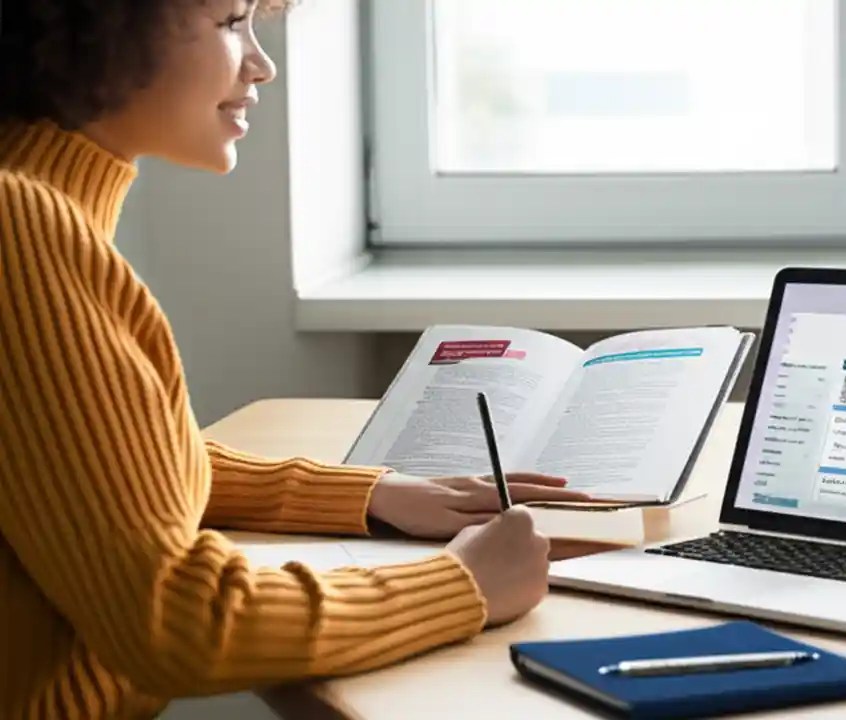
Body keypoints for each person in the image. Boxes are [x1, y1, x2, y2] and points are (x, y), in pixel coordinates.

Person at [0, 1, 591, 717]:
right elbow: (180, 623)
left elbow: (86, 472)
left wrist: (365, 497)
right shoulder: (19, 227)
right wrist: (462, 583)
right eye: (229, 22)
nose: (261, 63)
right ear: (95, 26)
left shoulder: (34, 209)